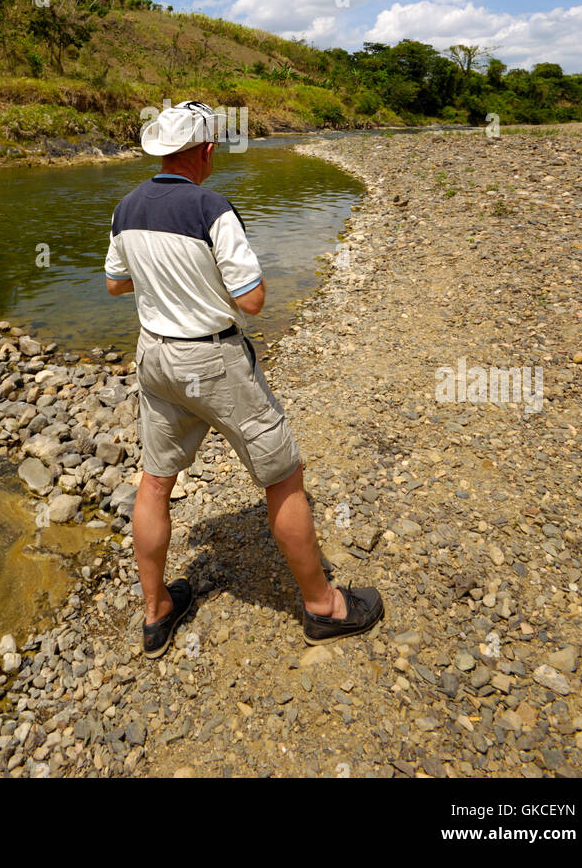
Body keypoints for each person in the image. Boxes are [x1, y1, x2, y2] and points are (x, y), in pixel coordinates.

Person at [104, 100, 383, 657]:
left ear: (160, 151)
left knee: (155, 481)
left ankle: (157, 613)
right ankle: (324, 607)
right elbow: (252, 301)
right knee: (283, 474)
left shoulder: (126, 206)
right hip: (213, 362)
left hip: (154, 357)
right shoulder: (211, 206)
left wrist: (168, 282)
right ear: (206, 151)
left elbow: (115, 285)